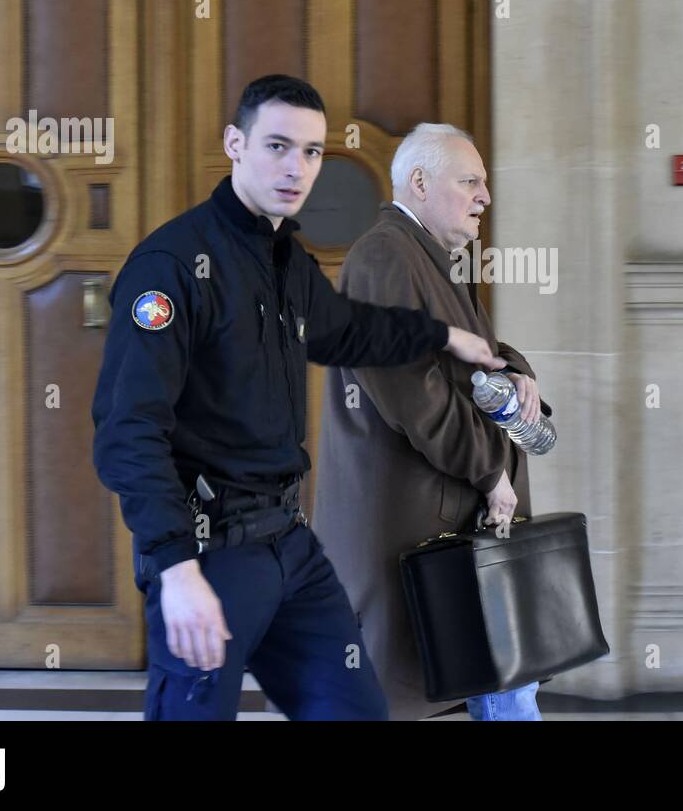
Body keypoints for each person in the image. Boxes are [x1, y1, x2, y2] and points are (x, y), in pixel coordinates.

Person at [91, 77, 505, 721]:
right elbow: (127, 430)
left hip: (290, 547)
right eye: (279, 146)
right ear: (235, 143)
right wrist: (175, 569)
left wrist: (446, 336)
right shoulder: (170, 266)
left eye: (312, 152)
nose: (297, 168)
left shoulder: (286, 259)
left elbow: (349, 330)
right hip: (209, 554)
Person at [315, 122, 548, 721]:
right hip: (418, 527)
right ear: (419, 182)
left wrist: (518, 370)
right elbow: (413, 392)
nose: (484, 198)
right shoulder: (385, 254)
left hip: (448, 524)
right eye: (470, 181)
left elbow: (470, 355)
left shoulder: (428, 256)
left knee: (500, 686)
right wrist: (492, 471)